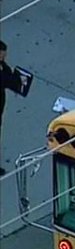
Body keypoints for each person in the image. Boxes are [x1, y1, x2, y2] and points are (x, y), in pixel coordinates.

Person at [1, 40, 33, 170]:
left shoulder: (2, 65)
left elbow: (8, 74)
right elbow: (5, 80)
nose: (3, 58)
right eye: (2, 55)